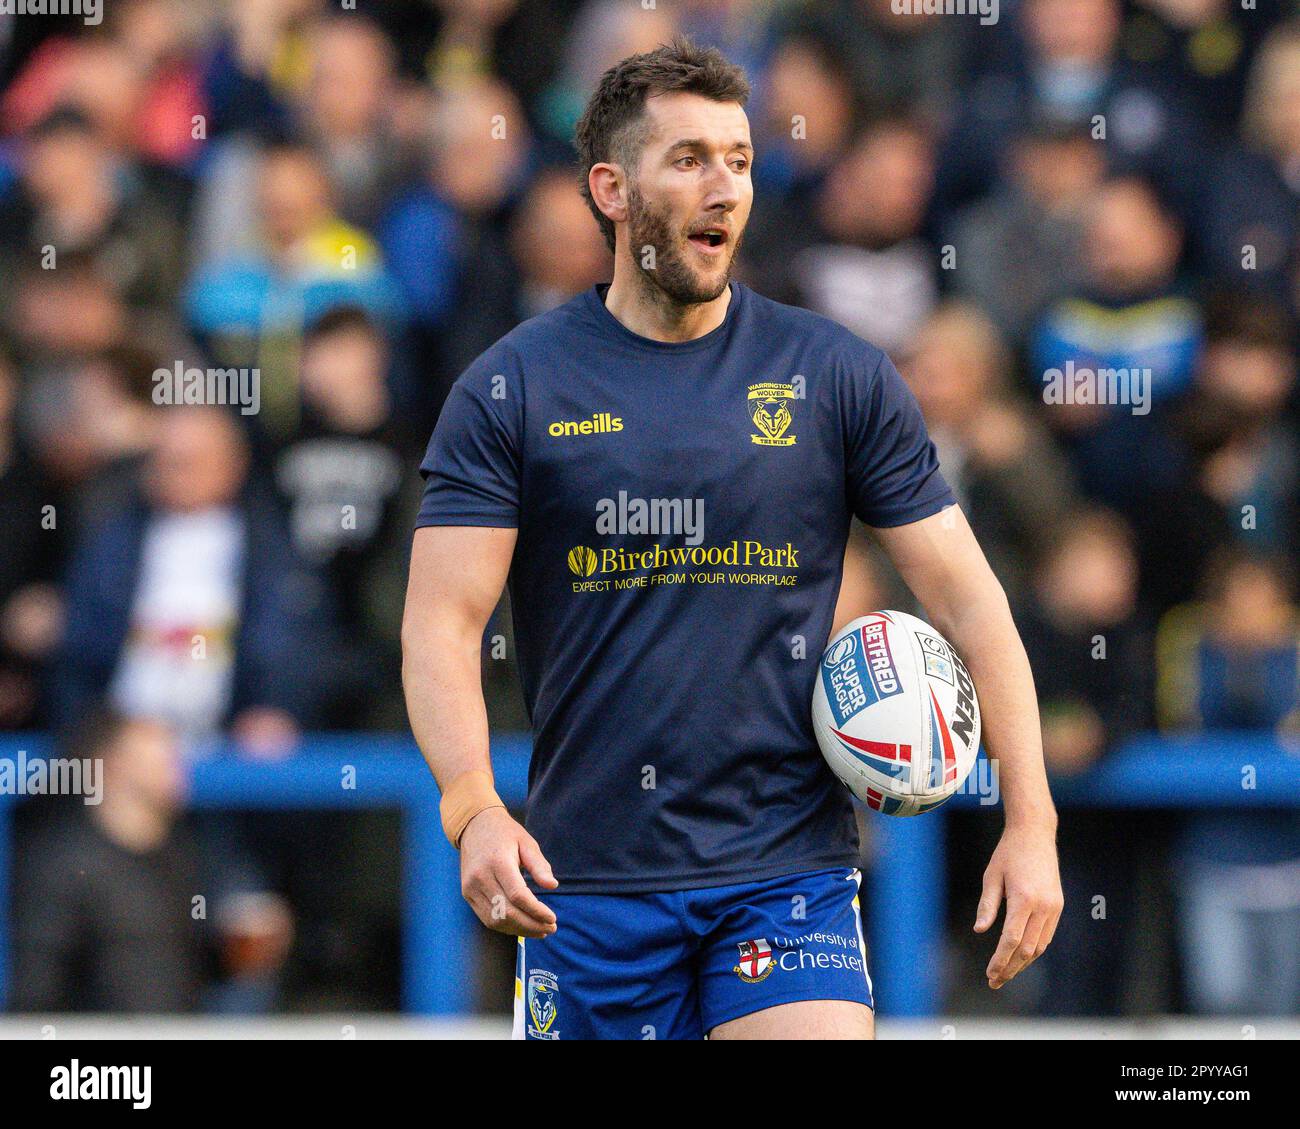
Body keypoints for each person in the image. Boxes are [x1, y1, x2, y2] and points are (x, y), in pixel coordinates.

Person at [401, 37, 1062, 1041]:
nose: (724, 188)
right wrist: (473, 806)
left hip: (784, 872)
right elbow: (442, 626)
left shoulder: (836, 375)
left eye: (741, 160)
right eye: (690, 160)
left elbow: (971, 603)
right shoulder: (511, 388)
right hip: (586, 880)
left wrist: (1030, 818)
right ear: (611, 189)